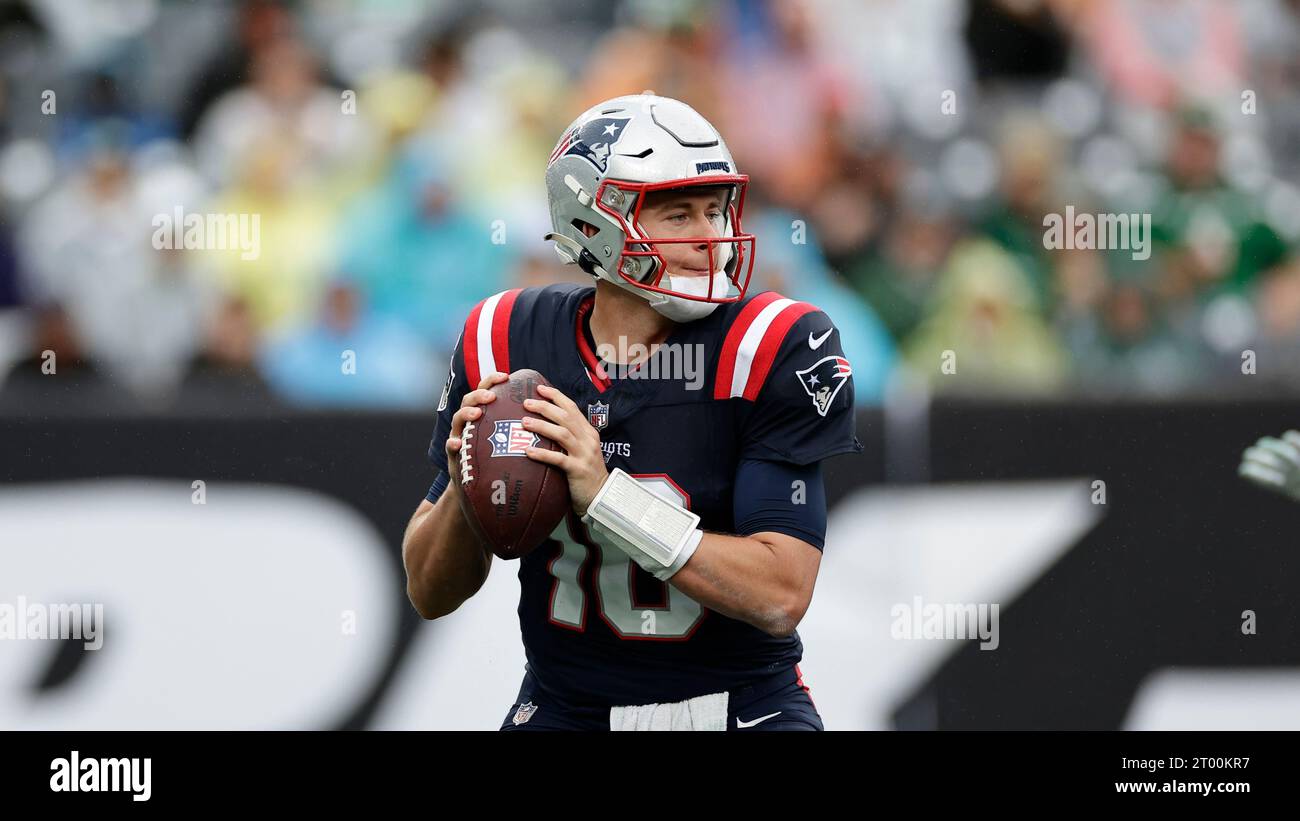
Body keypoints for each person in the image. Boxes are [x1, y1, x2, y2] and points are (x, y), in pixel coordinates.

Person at [402, 94, 862, 730]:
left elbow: (781, 594)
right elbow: (429, 591)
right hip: (568, 708)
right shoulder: (505, 339)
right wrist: (464, 487)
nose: (712, 239)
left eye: (714, 208)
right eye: (678, 215)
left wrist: (606, 497)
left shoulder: (771, 343)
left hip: (741, 705)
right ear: (594, 223)